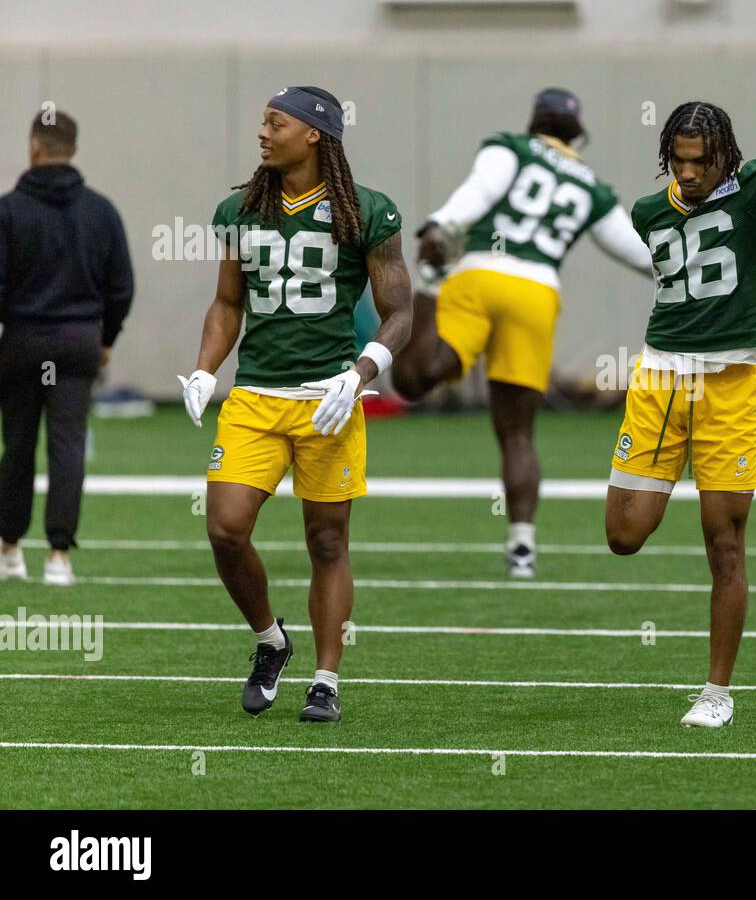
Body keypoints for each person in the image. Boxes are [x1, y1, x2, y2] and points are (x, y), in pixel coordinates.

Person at [604, 42, 756, 728]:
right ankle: (670, 471)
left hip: (731, 383)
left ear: (725, 155)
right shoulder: (651, 210)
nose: (690, 171)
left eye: (702, 159)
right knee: (623, 535)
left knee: (724, 541)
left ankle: (716, 691)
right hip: (660, 380)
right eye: (679, 158)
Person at [177, 86, 412, 723]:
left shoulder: (367, 210)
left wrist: (363, 371)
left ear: (313, 133)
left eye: (274, 122)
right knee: (225, 528)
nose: (262, 132)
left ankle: (327, 679)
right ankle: (270, 640)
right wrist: (205, 370)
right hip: (256, 394)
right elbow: (228, 303)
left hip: (327, 396)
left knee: (327, 541)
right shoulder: (239, 209)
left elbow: (401, 312)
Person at [391, 88, 651, 580]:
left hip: (480, 272)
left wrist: (442, 224)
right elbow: (638, 254)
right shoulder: (592, 185)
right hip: (537, 290)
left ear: (535, 121)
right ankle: (522, 547)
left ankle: (427, 291)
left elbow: (482, 190)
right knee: (517, 433)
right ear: (577, 133)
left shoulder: (510, 146)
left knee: (416, 378)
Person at [0, 110, 134, 586]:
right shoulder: (101, 211)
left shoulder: (8, 210)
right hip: (77, 343)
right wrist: (105, 340)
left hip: (21, 343)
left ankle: (10, 549)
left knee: (16, 445)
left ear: (34, 146)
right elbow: (122, 287)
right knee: (67, 446)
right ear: (73, 148)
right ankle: (59, 556)